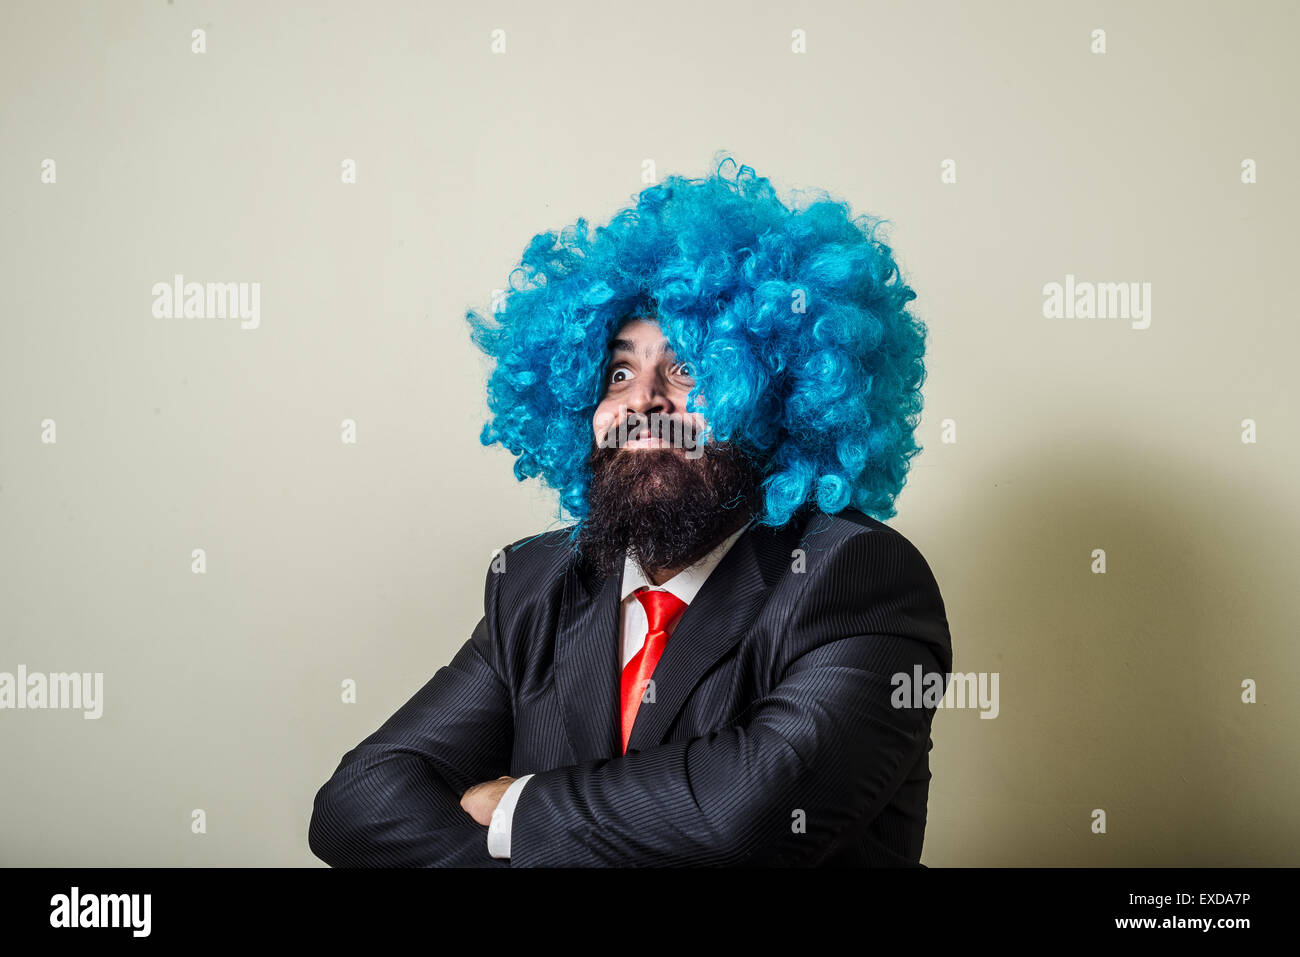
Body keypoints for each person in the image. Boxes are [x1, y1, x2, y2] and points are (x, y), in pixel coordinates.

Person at [308, 155, 952, 867]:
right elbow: (358, 800)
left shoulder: (855, 578)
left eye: (688, 370)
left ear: (781, 399)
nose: (643, 401)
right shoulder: (533, 584)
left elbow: (740, 813)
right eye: (619, 372)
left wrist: (515, 805)